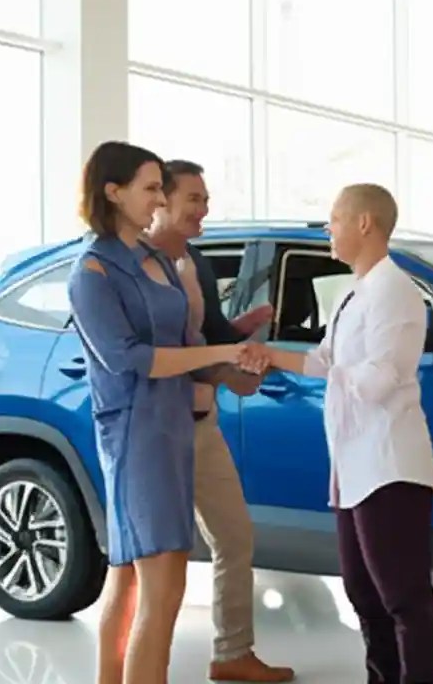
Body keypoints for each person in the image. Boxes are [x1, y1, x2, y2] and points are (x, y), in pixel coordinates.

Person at [66, 141, 250, 684]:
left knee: (142, 583)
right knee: (163, 588)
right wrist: (218, 353)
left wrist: (230, 367)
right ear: (113, 192)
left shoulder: (157, 261)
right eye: (150, 189)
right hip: (135, 437)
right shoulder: (92, 272)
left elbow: (186, 340)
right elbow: (130, 358)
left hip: (173, 429)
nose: (158, 199)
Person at [258, 183, 433, 683]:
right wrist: (270, 356)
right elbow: (328, 360)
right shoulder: (355, 292)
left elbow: (379, 380)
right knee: (364, 593)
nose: (328, 229)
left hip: (388, 465)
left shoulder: (394, 292)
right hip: (353, 464)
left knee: (404, 598)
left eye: (334, 219)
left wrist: (337, 368)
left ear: (365, 223)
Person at [141, 159, 294, 683]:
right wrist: (228, 363)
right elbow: (158, 356)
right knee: (158, 563)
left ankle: (232, 653)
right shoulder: (135, 269)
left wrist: (242, 335)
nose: (203, 209)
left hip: (202, 425)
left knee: (233, 536)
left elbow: (207, 333)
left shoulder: (195, 262)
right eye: (193, 198)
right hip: (156, 434)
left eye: (206, 199)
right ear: (160, 199)